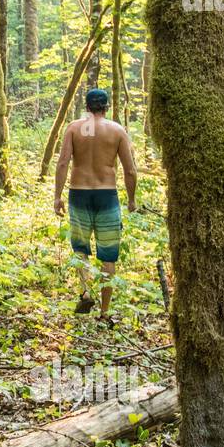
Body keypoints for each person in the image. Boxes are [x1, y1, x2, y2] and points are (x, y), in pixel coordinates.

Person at [53, 89, 137, 323]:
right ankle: (104, 312)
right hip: (106, 195)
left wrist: (57, 196)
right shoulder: (117, 130)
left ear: (87, 107)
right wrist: (131, 199)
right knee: (108, 255)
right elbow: (130, 170)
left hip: (79, 193)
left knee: (80, 248)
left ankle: (86, 292)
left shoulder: (73, 128)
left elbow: (62, 163)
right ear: (106, 107)